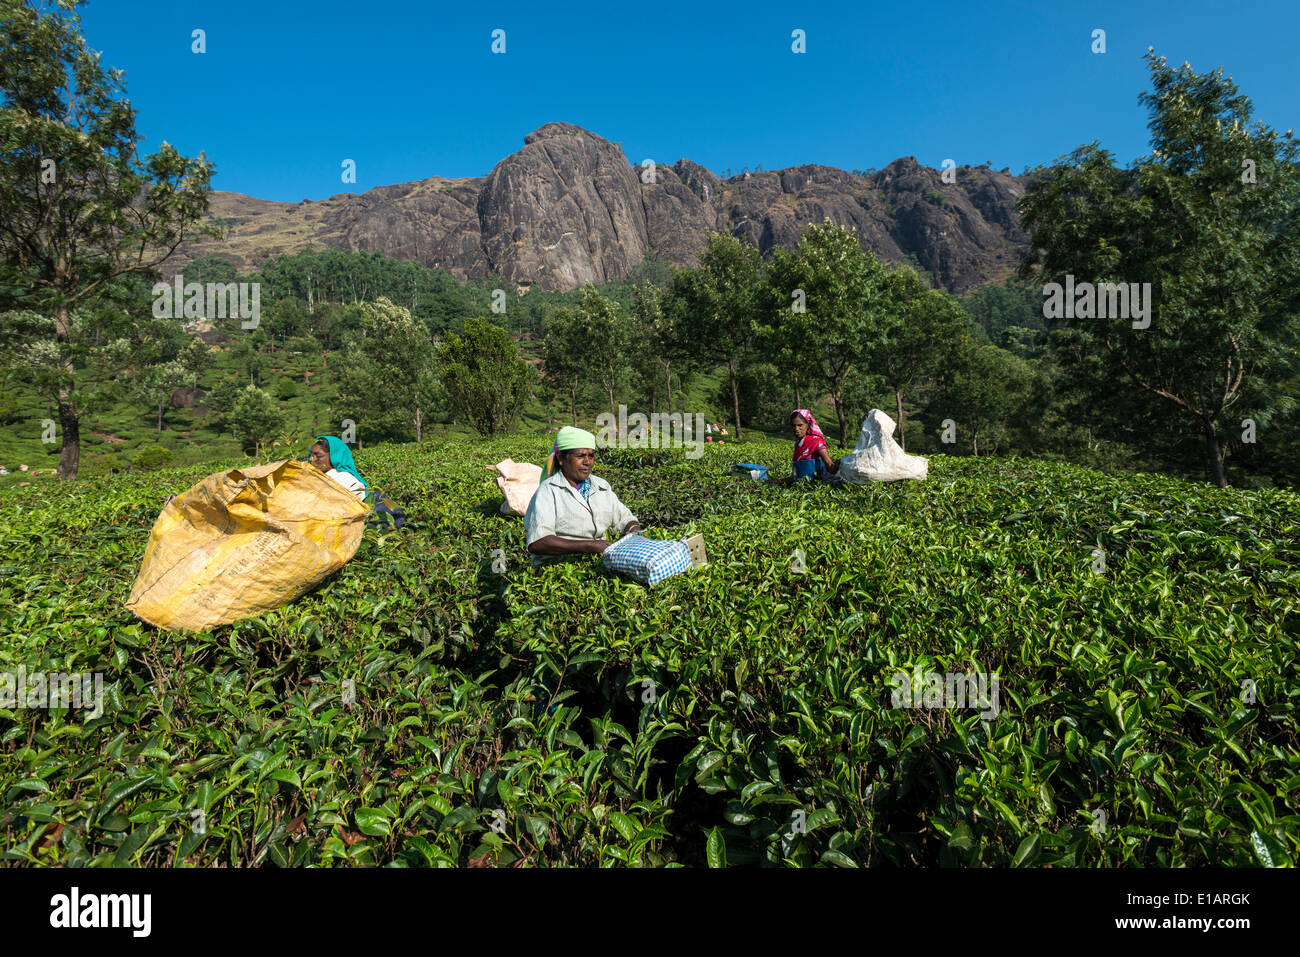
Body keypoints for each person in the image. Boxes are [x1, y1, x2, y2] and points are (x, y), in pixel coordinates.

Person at [525, 426, 641, 566]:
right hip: (560, 571)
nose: (587, 462)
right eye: (580, 456)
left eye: (591, 456)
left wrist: (633, 531)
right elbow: (538, 543)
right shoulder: (548, 491)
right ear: (562, 458)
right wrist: (590, 546)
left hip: (598, 565)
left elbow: (625, 518)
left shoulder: (601, 486)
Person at [775, 409, 839, 484]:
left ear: (808, 424)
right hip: (802, 485)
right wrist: (778, 481)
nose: (796, 429)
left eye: (800, 425)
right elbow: (798, 476)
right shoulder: (797, 445)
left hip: (818, 485)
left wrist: (838, 465)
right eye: (793, 425)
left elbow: (830, 466)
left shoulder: (816, 442)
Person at [308, 435, 367, 501]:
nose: (310, 459)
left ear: (335, 456)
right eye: (310, 455)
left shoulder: (349, 482)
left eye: (318, 455)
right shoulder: (309, 477)